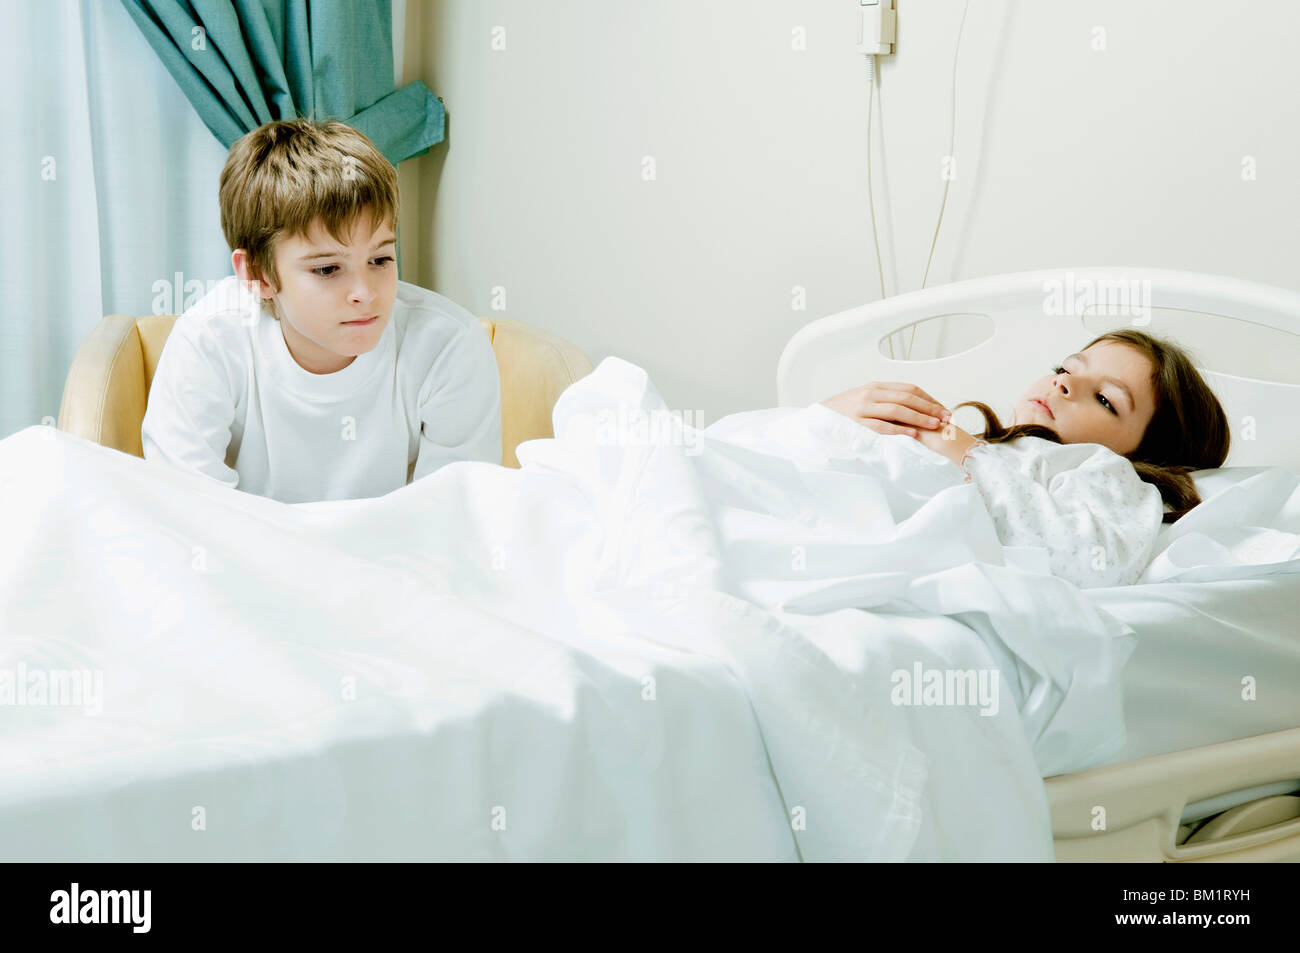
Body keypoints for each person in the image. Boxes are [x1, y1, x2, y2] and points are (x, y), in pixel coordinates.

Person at [141, 118, 502, 504]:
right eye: (328, 269)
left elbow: (454, 522)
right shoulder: (209, 340)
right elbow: (189, 512)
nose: (365, 293)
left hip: (393, 561)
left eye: (380, 259)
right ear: (259, 274)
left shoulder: (450, 347)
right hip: (248, 559)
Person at [819, 329, 1231, 587]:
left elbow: (1088, 563)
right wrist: (833, 414)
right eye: (1066, 368)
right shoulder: (989, 445)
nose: (1065, 382)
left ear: (1144, 455)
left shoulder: (1100, 470)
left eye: (1106, 400)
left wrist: (965, 452)